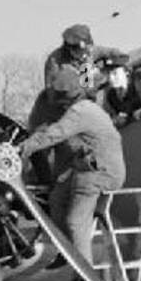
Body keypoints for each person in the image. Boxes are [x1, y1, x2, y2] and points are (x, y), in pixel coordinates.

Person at [19, 66, 126, 281]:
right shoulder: (81, 107)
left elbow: (55, 134)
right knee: (57, 198)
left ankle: (86, 276)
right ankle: (67, 251)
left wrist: (22, 148)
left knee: (75, 222)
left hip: (99, 173)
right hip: (86, 168)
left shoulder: (80, 112)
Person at [28, 24, 117, 183]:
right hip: (48, 118)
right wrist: (98, 79)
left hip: (72, 118)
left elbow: (88, 90)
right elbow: (56, 95)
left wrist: (118, 61)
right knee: (39, 160)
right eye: (79, 51)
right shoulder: (55, 62)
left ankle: (61, 192)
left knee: (68, 160)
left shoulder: (87, 54)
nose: (85, 54)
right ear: (69, 48)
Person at [96, 50, 141, 128]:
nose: (111, 78)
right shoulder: (111, 95)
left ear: (126, 72)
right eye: (108, 74)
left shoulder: (139, 87)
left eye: (115, 73)